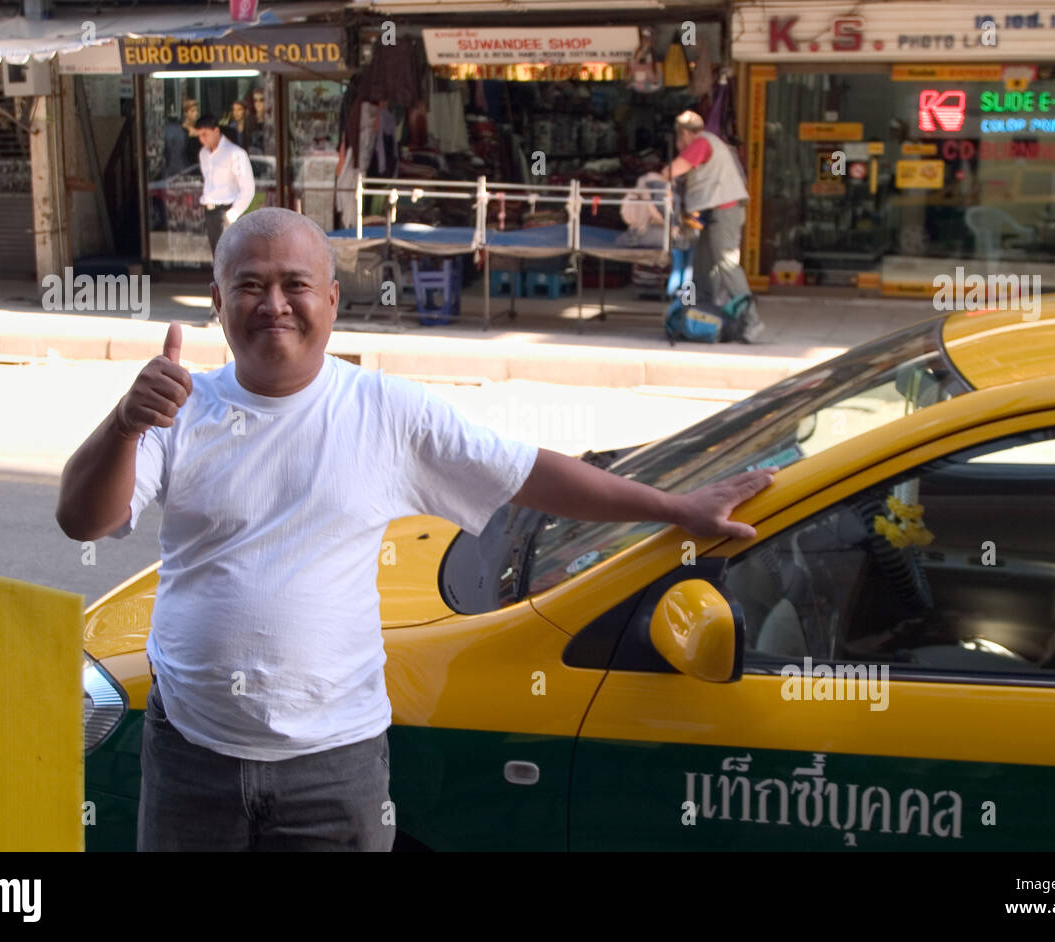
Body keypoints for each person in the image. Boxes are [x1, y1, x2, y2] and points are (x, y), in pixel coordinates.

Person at [54, 207, 778, 852]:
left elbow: (528, 474)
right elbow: (84, 518)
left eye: (295, 285)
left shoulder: (385, 412)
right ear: (217, 301)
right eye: (249, 285)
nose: (274, 304)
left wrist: (674, 507)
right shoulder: (179, 407)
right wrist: (124, 422)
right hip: (191, 756)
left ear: (332, 300)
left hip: (333, 766)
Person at [664, 110, 764, 343]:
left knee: (727, 265)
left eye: (680, 139)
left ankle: (753, 321)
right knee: (702, 266)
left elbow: (674, 169)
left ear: (686, 134)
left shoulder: (701, 143)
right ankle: (699, 316)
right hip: (710, 212)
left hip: (724, 211)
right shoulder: (711, 142)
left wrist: (657, 177)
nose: (680, 145)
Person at [194, 115, 256, 262]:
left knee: (229, 259)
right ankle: (220, 285)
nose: (202, 139)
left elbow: (248, 188)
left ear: (216, 131)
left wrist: (232, 214)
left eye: (205, 134)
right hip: (210, 210)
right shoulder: (203, 154)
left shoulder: (235, 153)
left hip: (226, 209)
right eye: (199, 136)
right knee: (217, 258)